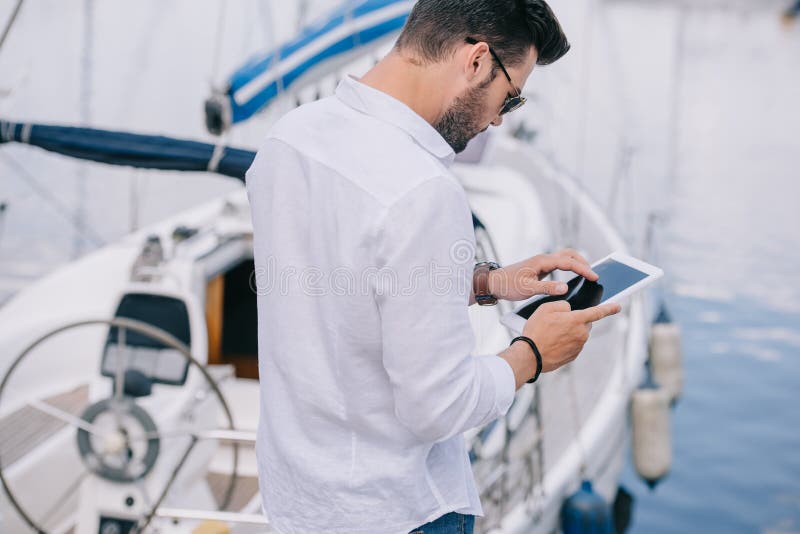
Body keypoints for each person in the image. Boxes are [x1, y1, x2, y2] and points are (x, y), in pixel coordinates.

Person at [245, 1, 621, 532]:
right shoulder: (422, 189)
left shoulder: (290, 138)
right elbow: (439, 407)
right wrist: (533, 353)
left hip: (297, 502)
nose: (499, 118)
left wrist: (488, 283)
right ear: (476, 61)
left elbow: (339, 286)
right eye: (510, 96)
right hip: (395, 513)